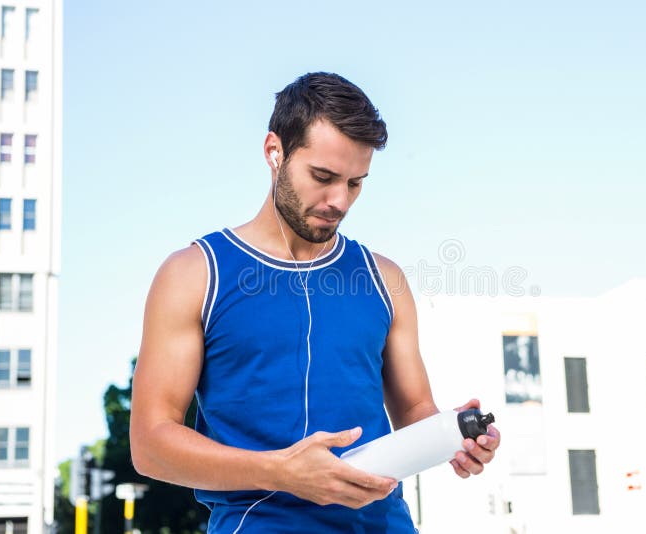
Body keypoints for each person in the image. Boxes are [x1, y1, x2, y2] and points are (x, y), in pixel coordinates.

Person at [129, 72, 501, 533]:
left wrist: (454, 438)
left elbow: (414, 410)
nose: (338, 201)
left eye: (355, 183)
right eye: (323, 177)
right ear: (274, 152)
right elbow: (150, 445)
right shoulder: (193, 274)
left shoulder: (386, 279)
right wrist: (280, 472)